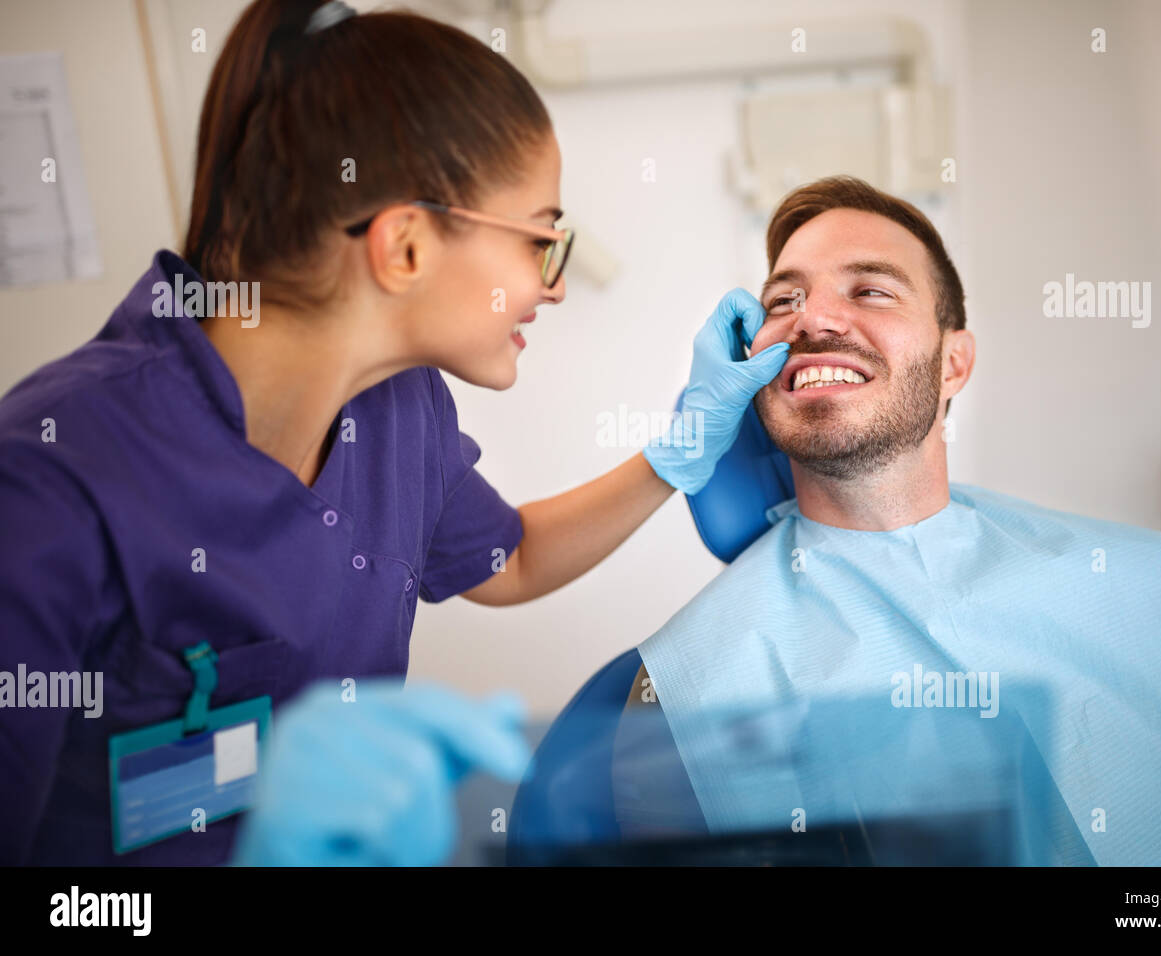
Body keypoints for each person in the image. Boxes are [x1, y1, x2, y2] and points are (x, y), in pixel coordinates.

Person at [0, 0, 787, 865]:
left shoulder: (397, 408)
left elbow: (509, 558)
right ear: (405, 247)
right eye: (541, 241)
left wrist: (677, 453)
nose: (556, 287)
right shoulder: (54, 479)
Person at [621, 174, 1161, 865]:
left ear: (954, 363)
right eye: (783, 300)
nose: (813, 321)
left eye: (870, 290)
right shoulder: (684, 693)